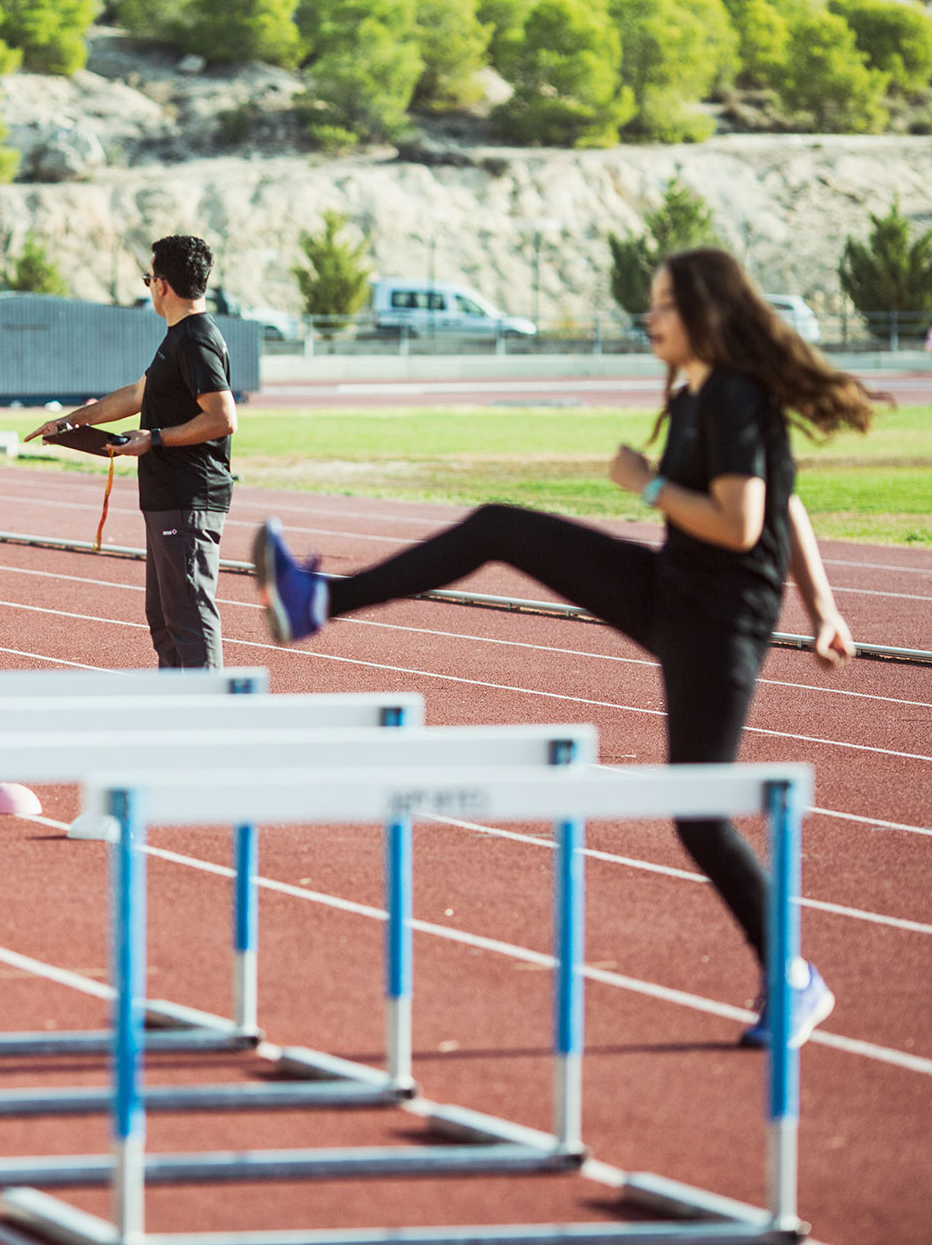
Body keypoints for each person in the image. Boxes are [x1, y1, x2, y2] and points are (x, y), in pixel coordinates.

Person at [252, 248, 882, 1050]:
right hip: (673, 590)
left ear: (707, 313)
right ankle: (317, 602)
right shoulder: (702, 392)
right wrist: (825, 609)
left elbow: (743, 522)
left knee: (697, 814)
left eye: (665, 304)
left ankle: (792, 977)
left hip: (718, 623)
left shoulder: (733, 394)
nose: (650, 318)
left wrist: (647, 484)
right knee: (498, 527)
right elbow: (786, 503)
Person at [23, 235, 237, 668]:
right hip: (168, 499)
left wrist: (152, 439)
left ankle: (209, 707)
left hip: (188, 500)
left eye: (148, 279)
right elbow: (138, 394)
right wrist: (73, 421)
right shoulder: (178, 339)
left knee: (189, 620)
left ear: (162, 285)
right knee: (165, 620)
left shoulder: (196, 339)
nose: (149, 286)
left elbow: (222, 418)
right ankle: (177, 705)